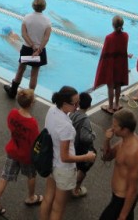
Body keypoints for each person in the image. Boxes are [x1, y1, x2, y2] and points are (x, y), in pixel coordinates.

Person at [39, 86, 96, 220]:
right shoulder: (65, 126)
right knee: (58, 207)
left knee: (47, 198)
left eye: (78, 102)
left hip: (51, 161)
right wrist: (87, 157)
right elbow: (65, 157)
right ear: (64, 103)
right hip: (63, 169)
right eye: (75, 104)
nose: (78, 106)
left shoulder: (52, 110)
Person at [0, 88, 42, 217]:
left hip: (13, 150)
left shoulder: (12, 113)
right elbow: (35, 142)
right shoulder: (32, 123)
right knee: (31, 175)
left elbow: (10, 127)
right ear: (31, 103)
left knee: (4, 176)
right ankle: (31, 197)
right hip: (26, 155)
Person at [99, 109, 138, 220]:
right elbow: (107, 157)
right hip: (117, 197)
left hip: (122, 200)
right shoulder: (124, 141)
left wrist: (123, 216)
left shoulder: (133, 152)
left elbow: (133, 189)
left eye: (115, 126)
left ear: (125, 129)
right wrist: (107, 140)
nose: (112, 128)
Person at [3, 0, 51, 97]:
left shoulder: (27, 17)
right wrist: (38, 50)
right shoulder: (47, 21)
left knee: (21, 69)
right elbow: (46, 38)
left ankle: (13, 91)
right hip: (39, 50)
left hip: (27, 48)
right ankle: (30, 96)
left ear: (33, 6)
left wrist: (32, 46)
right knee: (34, 74)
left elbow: (24, 34)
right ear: (44, 7)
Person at [93, 16, 130, 114]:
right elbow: (123, 49)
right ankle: (116, 104)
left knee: (110, 86)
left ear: (113, 25)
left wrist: (102, 67)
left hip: (111, 64)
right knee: (118, 85)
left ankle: (110, 107)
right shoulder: (126, 35)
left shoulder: (109, 38)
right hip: (121, 63)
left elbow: (105, 54)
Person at [70, 92, 96, 198]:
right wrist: (93, 135)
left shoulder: (72, 114)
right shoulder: (85, 120)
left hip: (71, 144)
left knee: (73, 165)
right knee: (83, 168)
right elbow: (85, 138)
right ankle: (76, 189)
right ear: (89, 106)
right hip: (80, 148)